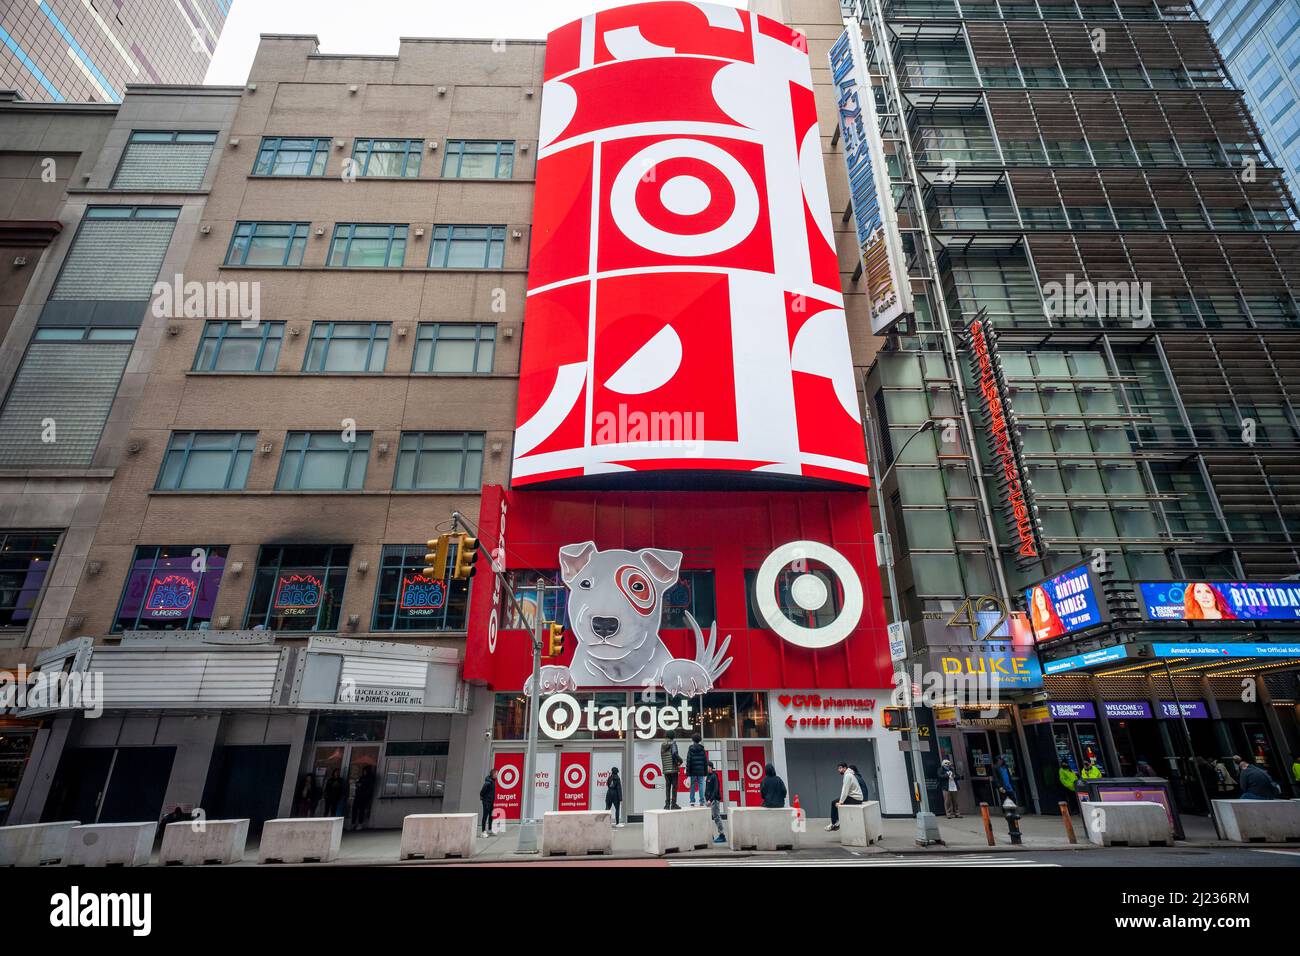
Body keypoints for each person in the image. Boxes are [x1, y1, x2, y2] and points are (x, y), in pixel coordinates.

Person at [825, 761, 864, 831]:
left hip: (855, 799)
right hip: (856, 798)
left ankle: (834, 824)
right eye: (838, 768)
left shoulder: (848, 776)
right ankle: (836, 822)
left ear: (845, 768)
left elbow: (845, 790)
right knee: (835, 802)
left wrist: (841, 802)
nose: (838, 770)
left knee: (834, 803)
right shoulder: (849, 774)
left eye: (840, 768)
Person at [660, 730, 683, 810]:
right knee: (674, 786)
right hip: (673, 768)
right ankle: (673, 804)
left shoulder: (663, 744)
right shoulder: (673, 743)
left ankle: (667, 805)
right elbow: (674, 754)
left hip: (666, 769)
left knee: (668, 786)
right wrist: (680, 760)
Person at [704, 761, 726, 844]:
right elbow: (708, 789)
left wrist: (711, 799)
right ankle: (711, 835)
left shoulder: (714, 776)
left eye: (706, 766)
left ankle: (722, 835)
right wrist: (707, 799)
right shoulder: (708, 776)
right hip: (710, 801)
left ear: (710, 767)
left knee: (716, 817)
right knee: (710, 818)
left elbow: (715, 789)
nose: (706, 768)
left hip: (714, 800)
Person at [685, 733, 709, 808]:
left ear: (693, 740)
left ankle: (692, 801)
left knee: (692, 786)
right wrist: (705, 773)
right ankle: (702, 801)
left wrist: (688, 774)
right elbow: (705, 761)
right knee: (701, 785)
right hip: (701, 771)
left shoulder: (690, 749)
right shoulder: (702, 749)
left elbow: (688, 761)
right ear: (699, 740)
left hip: (692, 771)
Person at [350, 765, 376, 831]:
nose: (364, 772)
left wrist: (365, 795)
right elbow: (358, 784)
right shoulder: (362, 777)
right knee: (355, 809)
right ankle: (353, 823)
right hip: (358, 796)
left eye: (365, 771)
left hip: (363, 797)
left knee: (361, 810)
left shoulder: (370, 778)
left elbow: (368, 788)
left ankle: (360, 823)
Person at [478, 769, 496, 837]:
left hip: (491, 801)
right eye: (496, 774)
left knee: (491, 816)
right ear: (493, 774)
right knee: (485, 816)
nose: (497, 775)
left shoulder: (493, 781)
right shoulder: (488, 782)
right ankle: (483, 832)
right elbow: (482, 790)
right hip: (487, 801)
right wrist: (481, 796)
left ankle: (490, 829)